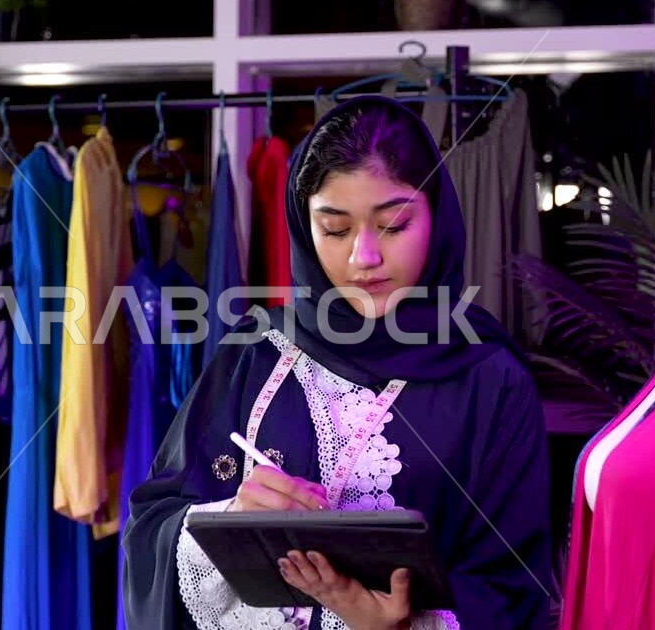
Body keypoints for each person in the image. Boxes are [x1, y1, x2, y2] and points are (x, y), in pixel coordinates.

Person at [121, 95, 553, 630]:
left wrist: (403, 625)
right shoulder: (254, 350)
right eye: (335, 229)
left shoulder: (491, 380)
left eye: (393, 225)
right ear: (305, 228)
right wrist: (230, 519)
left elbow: (515, 588)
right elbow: (152, 526)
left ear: (436, 218)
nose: (363, 258)